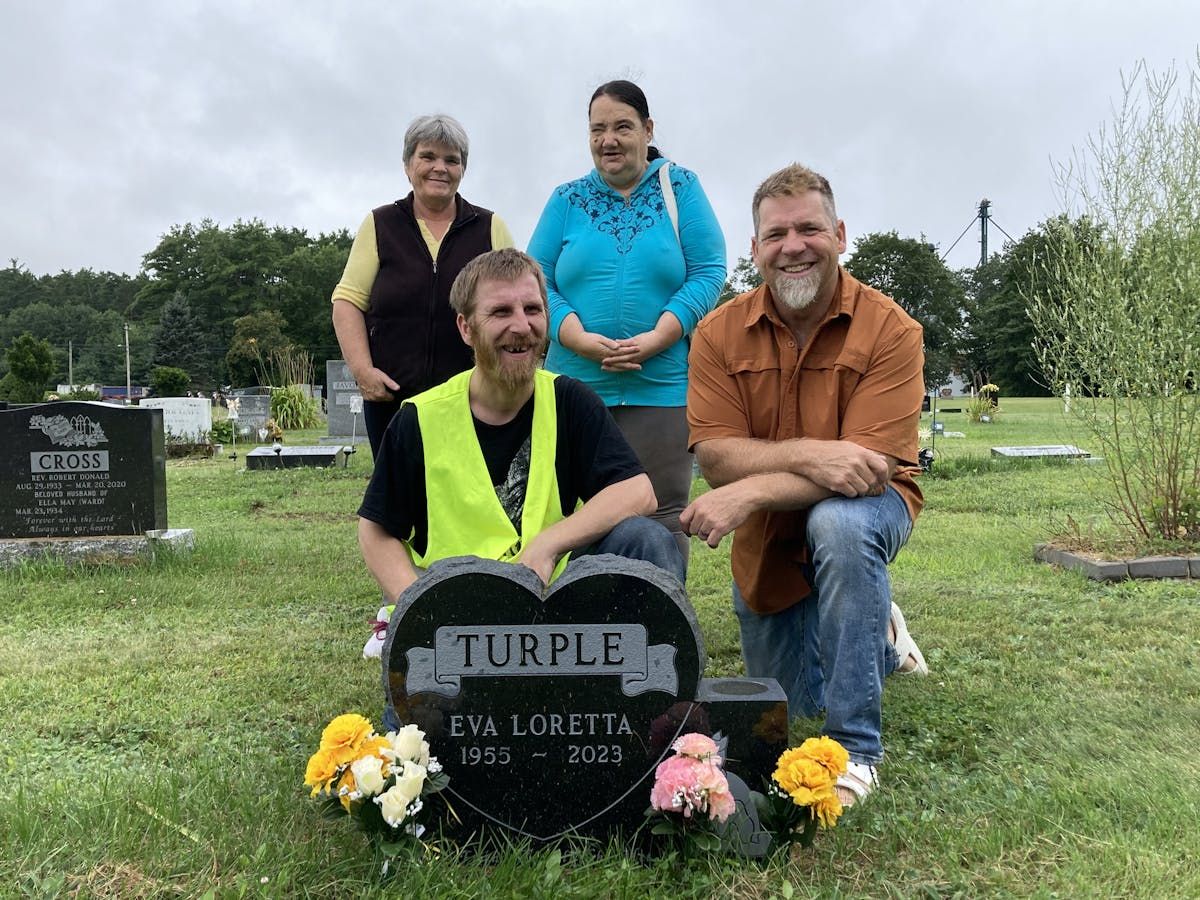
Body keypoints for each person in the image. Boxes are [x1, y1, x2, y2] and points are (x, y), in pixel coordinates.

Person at [682, 164, 928, 806]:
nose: (793, 245)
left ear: (840, 233)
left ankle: (859, 750)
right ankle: (881, 642)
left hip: (872, 507)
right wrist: (812, 458)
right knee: (793, 701)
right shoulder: (715, 334)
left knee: (839, 525)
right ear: (756, 247)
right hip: (767, 542)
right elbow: (716, 457)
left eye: (809, 228)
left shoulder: (892, 331)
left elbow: (863, 472)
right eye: (775, 233)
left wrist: (755, 490)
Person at [359, 249, 685, 658]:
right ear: (466, 327)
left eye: (532, 309)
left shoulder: (568, 400)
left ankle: (655, 694)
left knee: (647, 539)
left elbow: (638, 492)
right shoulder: (419, 419)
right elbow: (375, 529)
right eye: (500, 312)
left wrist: (548, 544)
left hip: (556, 602)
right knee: (430, 720)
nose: (521, 326)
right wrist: (419, 605)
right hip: (460, 618)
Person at [527, 80, 726, 571]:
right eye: (597, 129)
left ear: (647, 129)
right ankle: (574, 617)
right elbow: (534, 279)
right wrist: (573, 335)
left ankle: (661, 622)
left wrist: (662, 334)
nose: (608, 140)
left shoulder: (681, 187)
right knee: (570, 512)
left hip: (661, 387)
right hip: (572, 386)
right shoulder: (566, 199)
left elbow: (710, 270)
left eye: (622, 127)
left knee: (661, 511)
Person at [331, 113, 515, 458]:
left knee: (469, 500)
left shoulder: (490, 227)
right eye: (427, 156)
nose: (439, 168)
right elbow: (347, 302)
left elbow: (514, 306)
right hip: (393, 401)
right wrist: (363, 372)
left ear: (463, 169)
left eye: (451, 160)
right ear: (407, 164)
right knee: (398, 505)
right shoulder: (380, 224)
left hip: (474, 400)